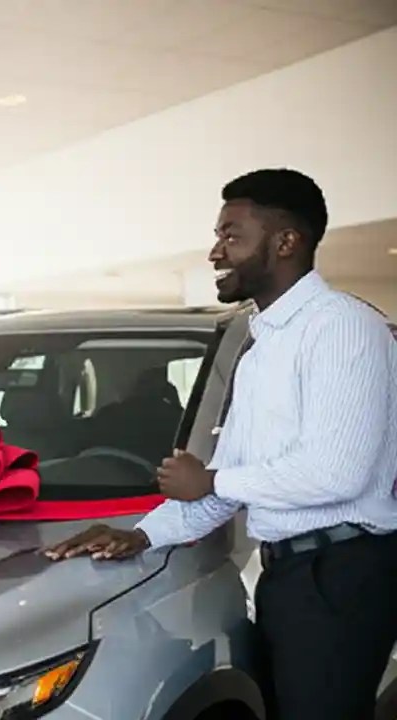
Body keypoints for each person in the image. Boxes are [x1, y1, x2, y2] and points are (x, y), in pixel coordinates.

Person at [44, 168, 397, 719]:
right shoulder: (260, 353)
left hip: (342, 574)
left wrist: (209, 480)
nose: (214, 252)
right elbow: (227, 488)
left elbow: (336, 472)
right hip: (290, 577)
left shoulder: (342, 328)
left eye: (232, 235)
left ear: (286, 242)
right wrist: (140, 535)